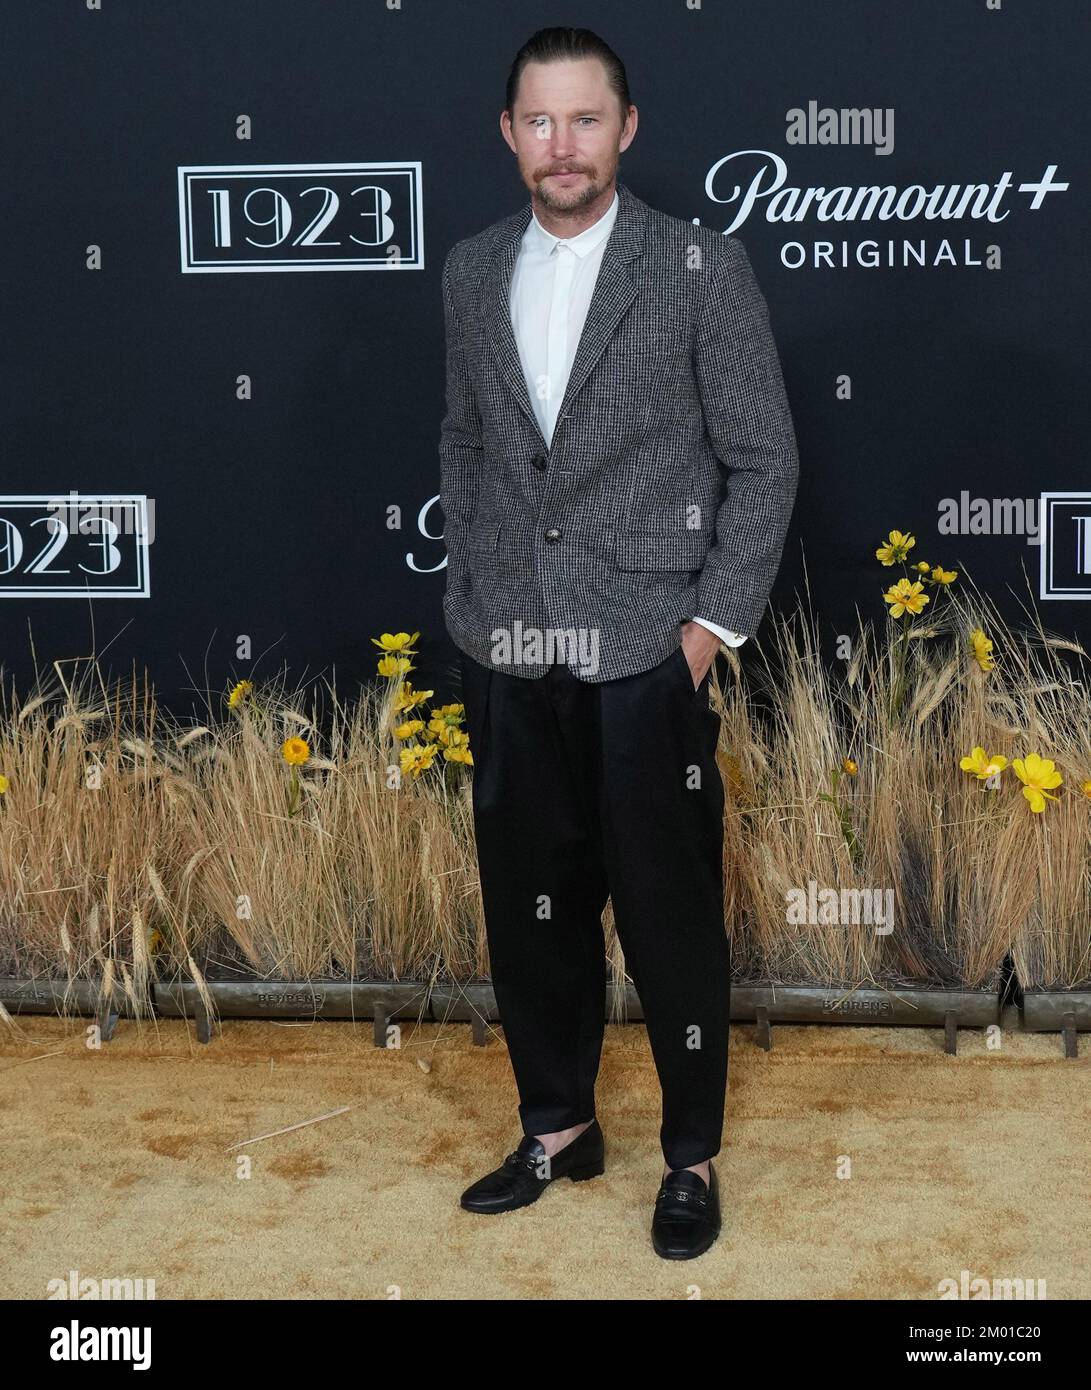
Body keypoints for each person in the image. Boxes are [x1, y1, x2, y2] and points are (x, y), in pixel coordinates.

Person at [438, 26, 799, 1259]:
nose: (561, 146)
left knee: (668, 916)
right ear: (507, 135)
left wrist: (702, 631)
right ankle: (556, 1127)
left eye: (583, 120)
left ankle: (688, 1158)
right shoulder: (471, 268)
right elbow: (470, 444)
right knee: (529, 911)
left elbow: (763, 459)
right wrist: (476, 605)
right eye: (538, 122)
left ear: (625, 128)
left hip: (646, 653)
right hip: (509, 651)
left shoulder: (699, 265)